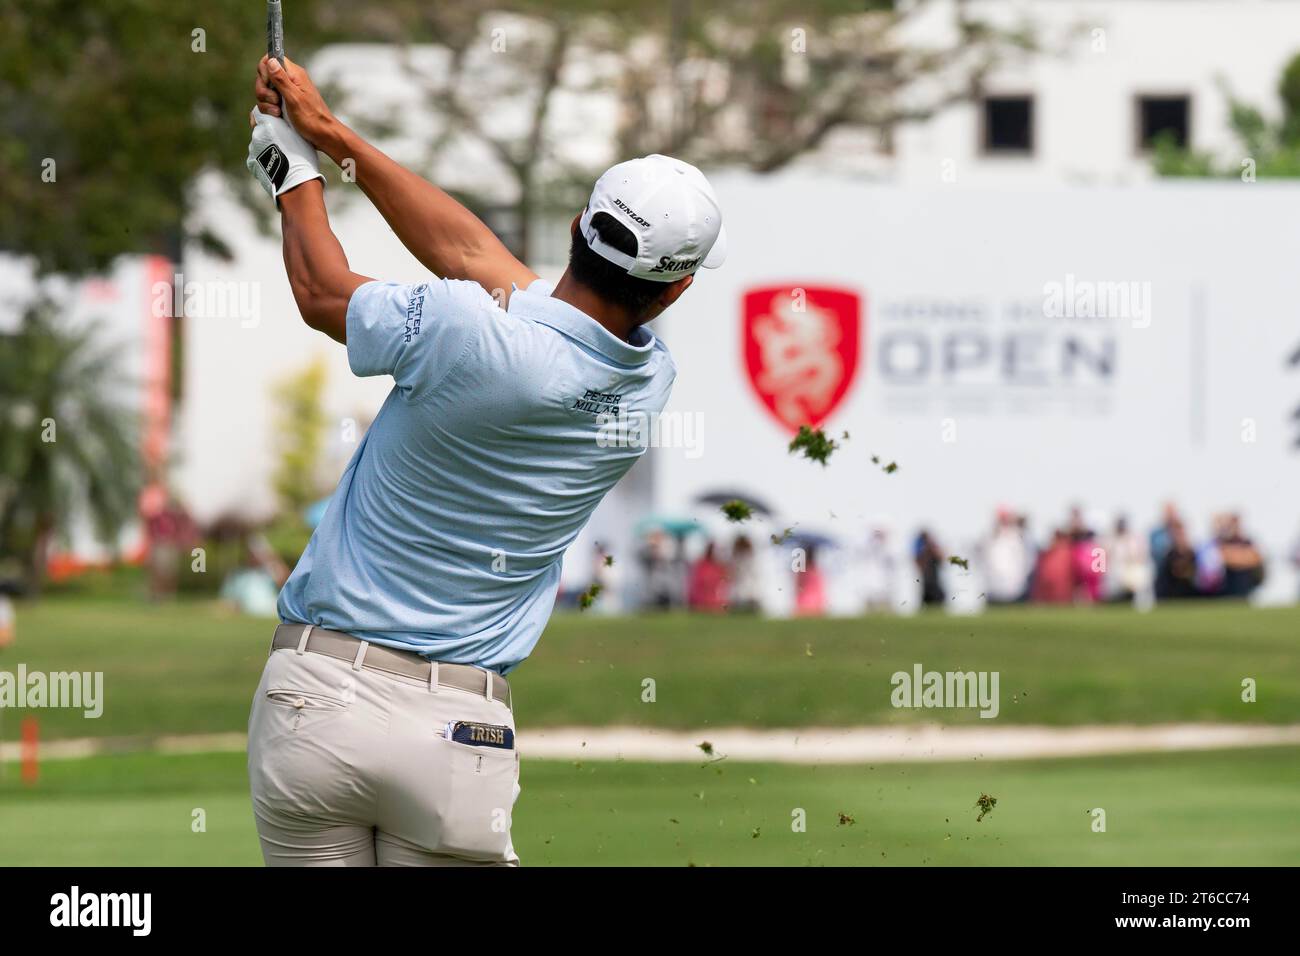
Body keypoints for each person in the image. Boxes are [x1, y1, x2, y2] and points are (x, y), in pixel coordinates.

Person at [245, 55, 725, 866]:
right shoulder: (647, 383)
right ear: (674, 291)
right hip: (457, 734)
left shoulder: (468, 327)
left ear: (577, 227)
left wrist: (291, 166)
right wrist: (327, 135)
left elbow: (325, 292)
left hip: (313, 699)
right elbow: (469, 251)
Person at [982, 509, 1030, 605]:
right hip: (993, 587)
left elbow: (1026, 561)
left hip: (1015, 588)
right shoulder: (989, 537)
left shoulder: (1018, 536)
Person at [687, 541, 729, 612]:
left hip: (716, 603)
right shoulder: (701, 565)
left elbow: (724, 586)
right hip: (702, 602)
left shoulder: (721, 567)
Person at [728, 534, 762, 613]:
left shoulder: (750, 557)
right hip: (740, 587)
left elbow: (754, 573)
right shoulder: (736, 558)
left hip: (749, 586)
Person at [795, 545, 828, 616]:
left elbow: (798, 585)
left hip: (804, 601)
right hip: (815, 601)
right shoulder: (817, 570)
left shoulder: (802, 571)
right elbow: (820, 587)